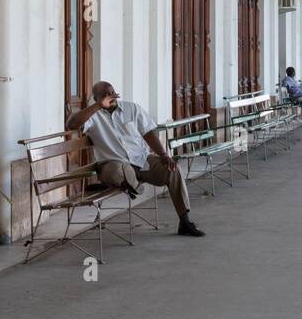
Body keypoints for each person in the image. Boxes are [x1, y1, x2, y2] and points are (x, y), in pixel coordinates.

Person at [66, 81, 204, 237]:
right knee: (119, 170)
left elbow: (148, 133)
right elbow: (71, 125)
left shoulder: (131, 108)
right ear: (96, 98)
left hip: (141, 160)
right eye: (105, 95)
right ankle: (131, 183)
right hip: (112, 164)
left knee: (172, 170)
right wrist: (98, 105)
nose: (110, 97)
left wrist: (164, 155)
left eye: (112, 92)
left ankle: (184, 221)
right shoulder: (93, 116)